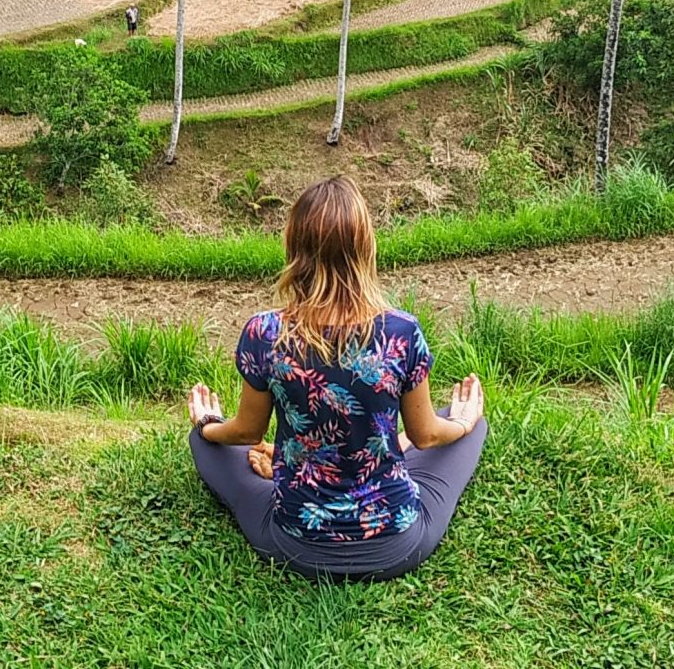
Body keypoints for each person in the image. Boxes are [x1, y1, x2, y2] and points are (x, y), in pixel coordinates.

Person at [186, 175, 487, 581]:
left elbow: (244, 433)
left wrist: (207, 426)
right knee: (468, 421)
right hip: (398, 542)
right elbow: (427, 437)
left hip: (295, 543)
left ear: (295, 247)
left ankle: (296, 459)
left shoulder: (266, 332)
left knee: (204, 444)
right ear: (364, 247)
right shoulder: (401, 331)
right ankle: (316, 457)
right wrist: (464, 422)